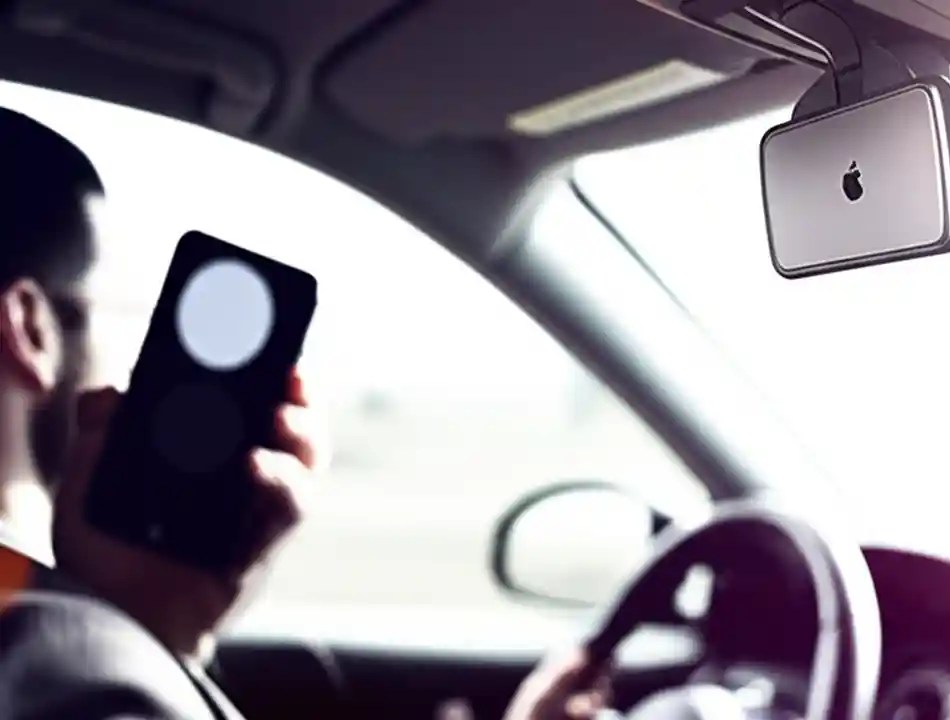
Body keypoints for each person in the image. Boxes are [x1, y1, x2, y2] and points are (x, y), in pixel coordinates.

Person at [0, 108, 607, 720]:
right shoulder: (70, 676)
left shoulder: (46, 640)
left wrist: (148, 625)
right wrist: (146, 628)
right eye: (101, 309)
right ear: (28, 328)